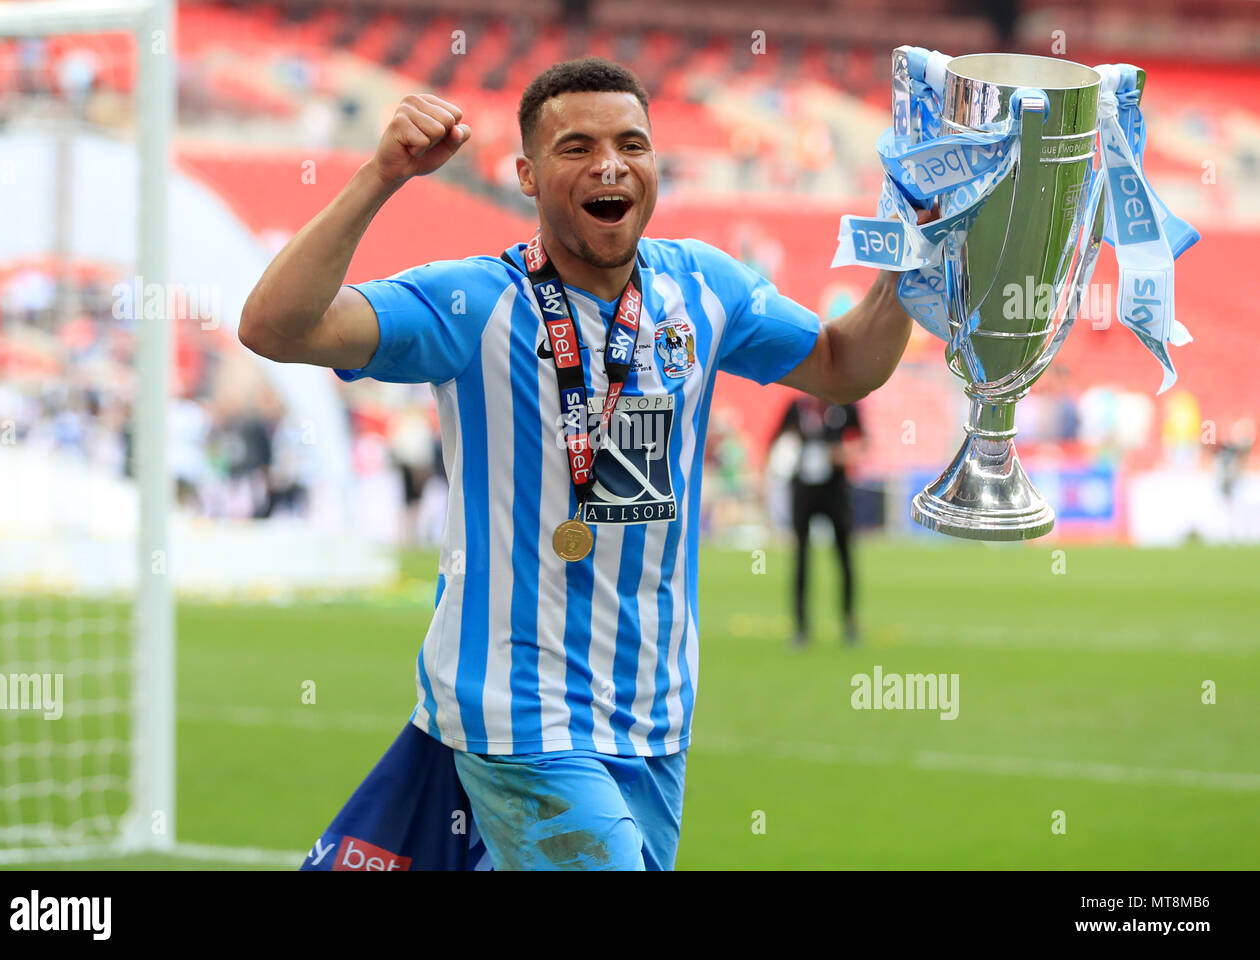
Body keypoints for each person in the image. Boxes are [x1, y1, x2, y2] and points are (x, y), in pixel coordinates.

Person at [240, 57, 932, 871]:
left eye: (631, 144)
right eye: (577, 148)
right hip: (518, 711)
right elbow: (276, 327)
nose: (610, 164)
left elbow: (846, 365)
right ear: (527, 175)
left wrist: (916, 252)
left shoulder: (705, 289)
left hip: (653, 717)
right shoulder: (474, 304)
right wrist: (382, 174)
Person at [773, 394, 863, 647]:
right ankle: (801, 627)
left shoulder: (844, 406)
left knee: (844, 556)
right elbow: (778, 438)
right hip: (803, 490)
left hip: (835, 490)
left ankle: (849, 622)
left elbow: (863, 441)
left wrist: (844, 454)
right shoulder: (797, 407)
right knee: (801, 556)